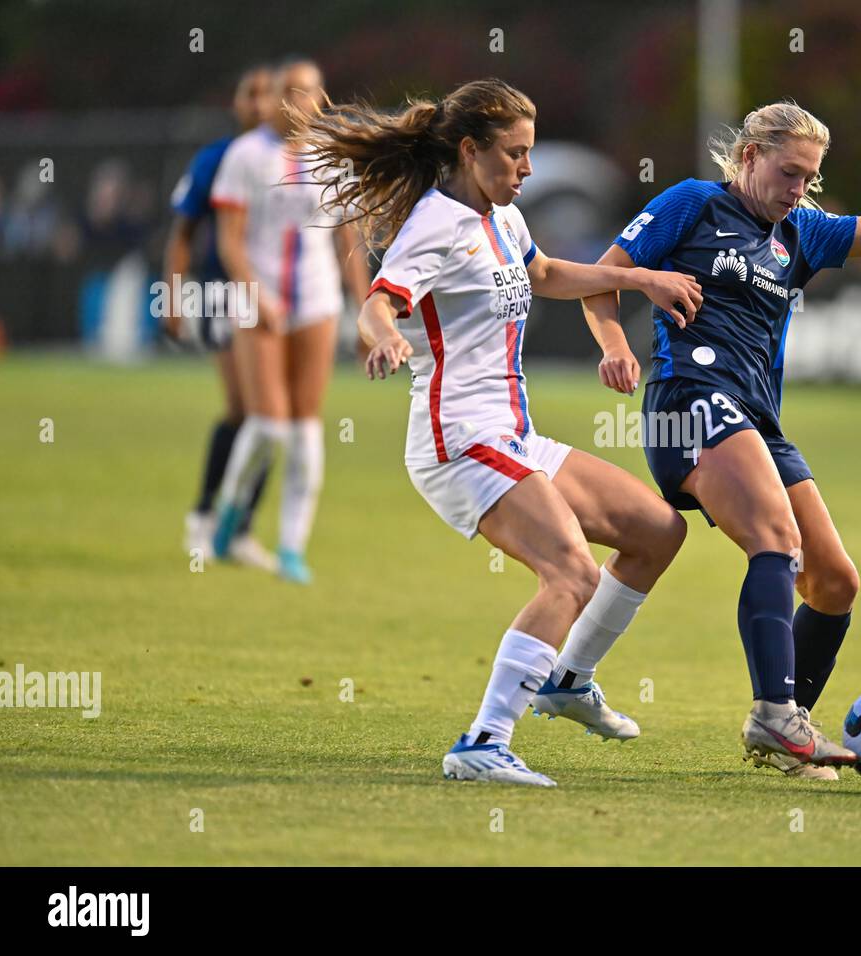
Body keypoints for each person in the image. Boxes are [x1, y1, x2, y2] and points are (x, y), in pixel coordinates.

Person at [294, 78, 703, 786]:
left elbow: (543, 273)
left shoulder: (504, 218)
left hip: (513, 435)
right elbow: (378, 303)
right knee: (570, 572)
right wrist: (384, 337)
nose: (528, 169)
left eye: (529, 153)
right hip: (458, 441)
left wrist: (642, 281)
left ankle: (566, 679)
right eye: (514, 155)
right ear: (469, 150)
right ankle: (483, 743)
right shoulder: (433, 225)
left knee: (657, 531)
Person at [579, 101, 861, 779]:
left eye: (809, 179)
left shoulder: (804, 234)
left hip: (757, 419)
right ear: (750, 156)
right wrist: (614, 345)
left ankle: (790, 735)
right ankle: (774, 714)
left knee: (834, 582)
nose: (798, 189)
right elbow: (604, 278)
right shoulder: (693, 204)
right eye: (789, 172)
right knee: (775, 541)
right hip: (691, 402)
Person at [208, 58, 372, 584]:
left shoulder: (330, 154)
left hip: (316, 301)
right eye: (286, 92)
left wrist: (367, 312)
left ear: (321, 98)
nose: (294, 102)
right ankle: (229, 515)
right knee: (270, 424)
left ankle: (292, 548)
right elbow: (229, 239)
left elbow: (349, 239)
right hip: (260, 299)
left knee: (305, 428)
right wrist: (255, 295)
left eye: (306, 92)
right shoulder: (245, 155)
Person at [165, 64, 277, 572]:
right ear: (237, 103)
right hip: (224, 291)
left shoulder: (292, 159)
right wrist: (172, 295)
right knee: (244, 408)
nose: (257, 104)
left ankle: (240, 529)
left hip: (283, 298)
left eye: (266, 95)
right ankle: (205, 517)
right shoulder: (218, 159)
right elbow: (183, 232)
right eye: (249, 94)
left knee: (277, 418)